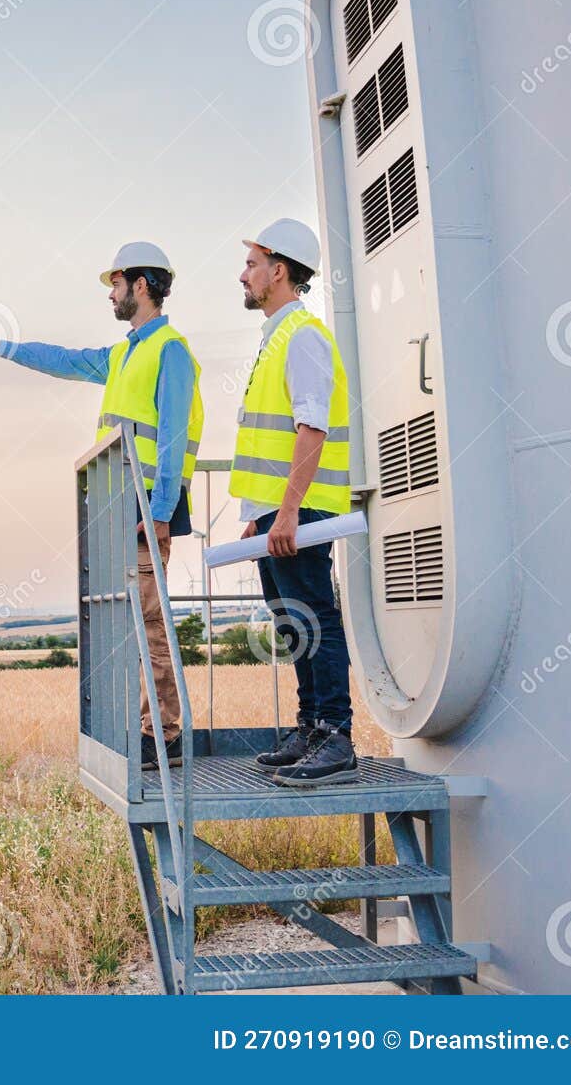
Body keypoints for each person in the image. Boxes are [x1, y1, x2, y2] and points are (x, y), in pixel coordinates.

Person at [0, 242, 203, 769]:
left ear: (139, 286)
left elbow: (174, 436)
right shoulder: (123, 354)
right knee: (125, 621)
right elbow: (63, 360)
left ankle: (166, 735)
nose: (110, 295)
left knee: (149, 620)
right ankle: (145, 730)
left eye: (115, 284)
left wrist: (159, 515)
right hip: (116, 505)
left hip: (144, 509)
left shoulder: (171, 350)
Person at [231, 219, 356, 788]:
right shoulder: (277, 336)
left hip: (300, 510)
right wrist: (261, 513)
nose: (244, 274)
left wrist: (286, 511)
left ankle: (335, 735)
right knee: (293, 621)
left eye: (253, 264)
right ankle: (311, 728)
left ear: (279, 271)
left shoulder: (302, 334)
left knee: (315, 618)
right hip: (277, 511)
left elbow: (313, 428)